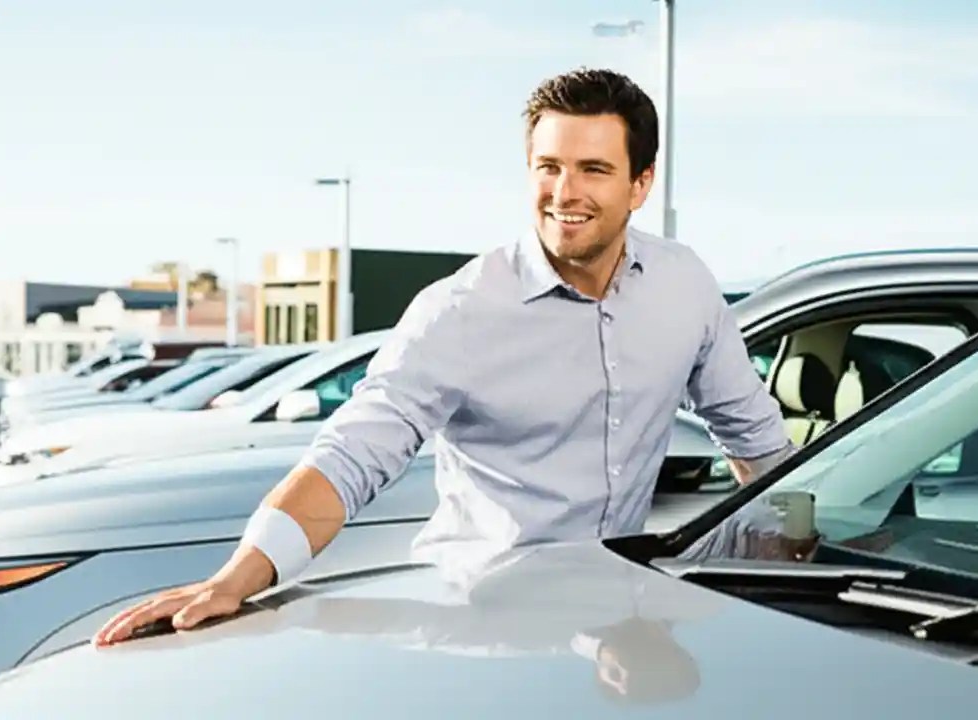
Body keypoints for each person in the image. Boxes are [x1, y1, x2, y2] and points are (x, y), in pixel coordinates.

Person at [93, 68, 795, 648]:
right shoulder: (459, 310)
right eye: (548, 167)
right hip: (485, 634)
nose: (565, 193)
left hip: (623, 628)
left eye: (593, 170)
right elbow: (351, 456)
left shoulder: (685, 286)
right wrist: (236, 578)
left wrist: (801, 564)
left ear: (640, 184)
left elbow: (757, 445)